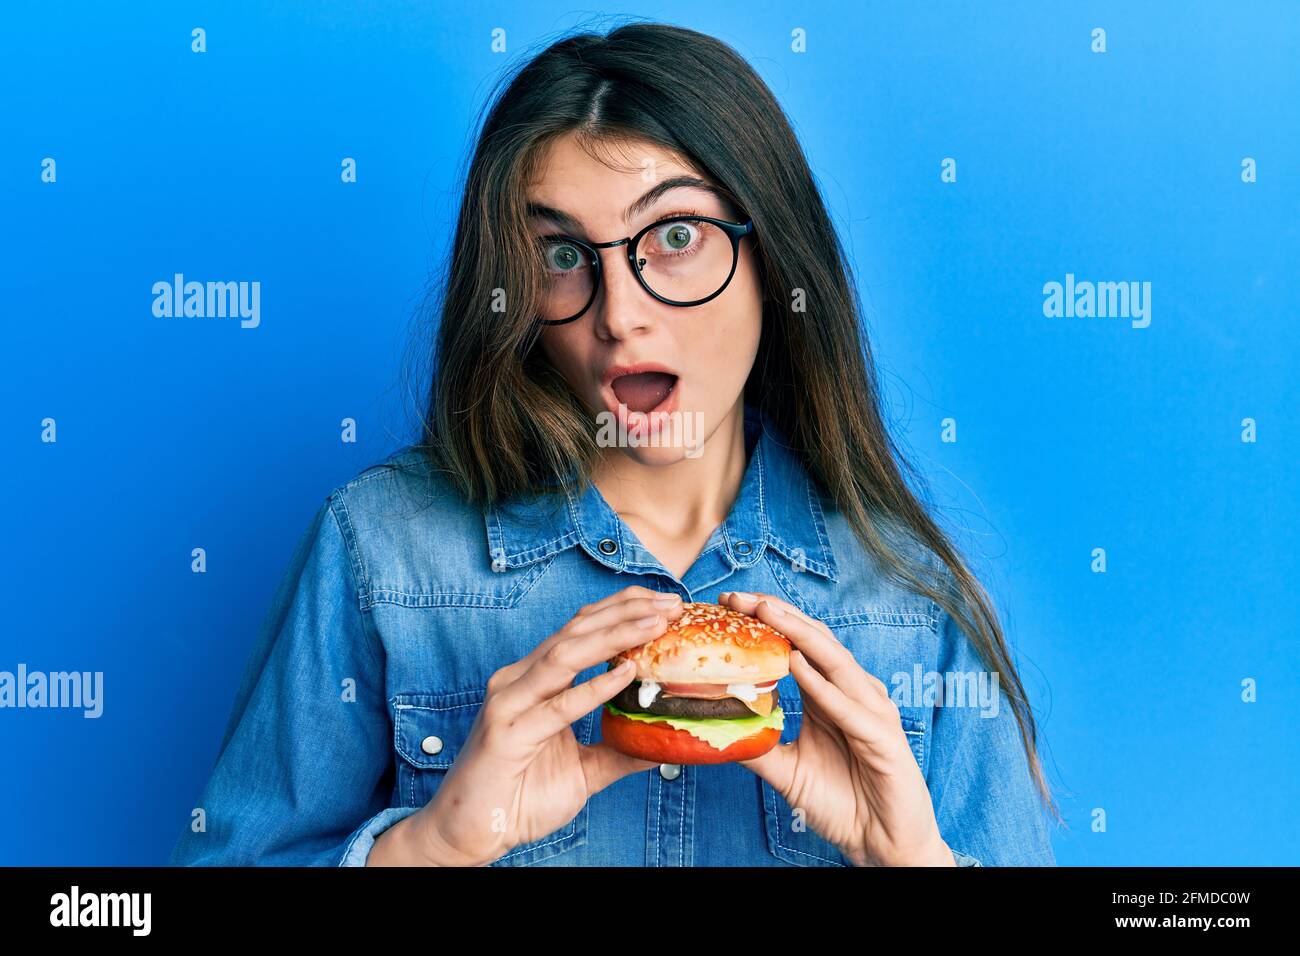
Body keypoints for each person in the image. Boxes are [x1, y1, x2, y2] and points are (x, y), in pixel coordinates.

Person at [170, 22, 1058, 868]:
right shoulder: (383, 552)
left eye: (675, 237)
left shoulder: (909, 595)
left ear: (774, 260)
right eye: (560, 255)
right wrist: (431, 846)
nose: (619, 314)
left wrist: (910, 862)